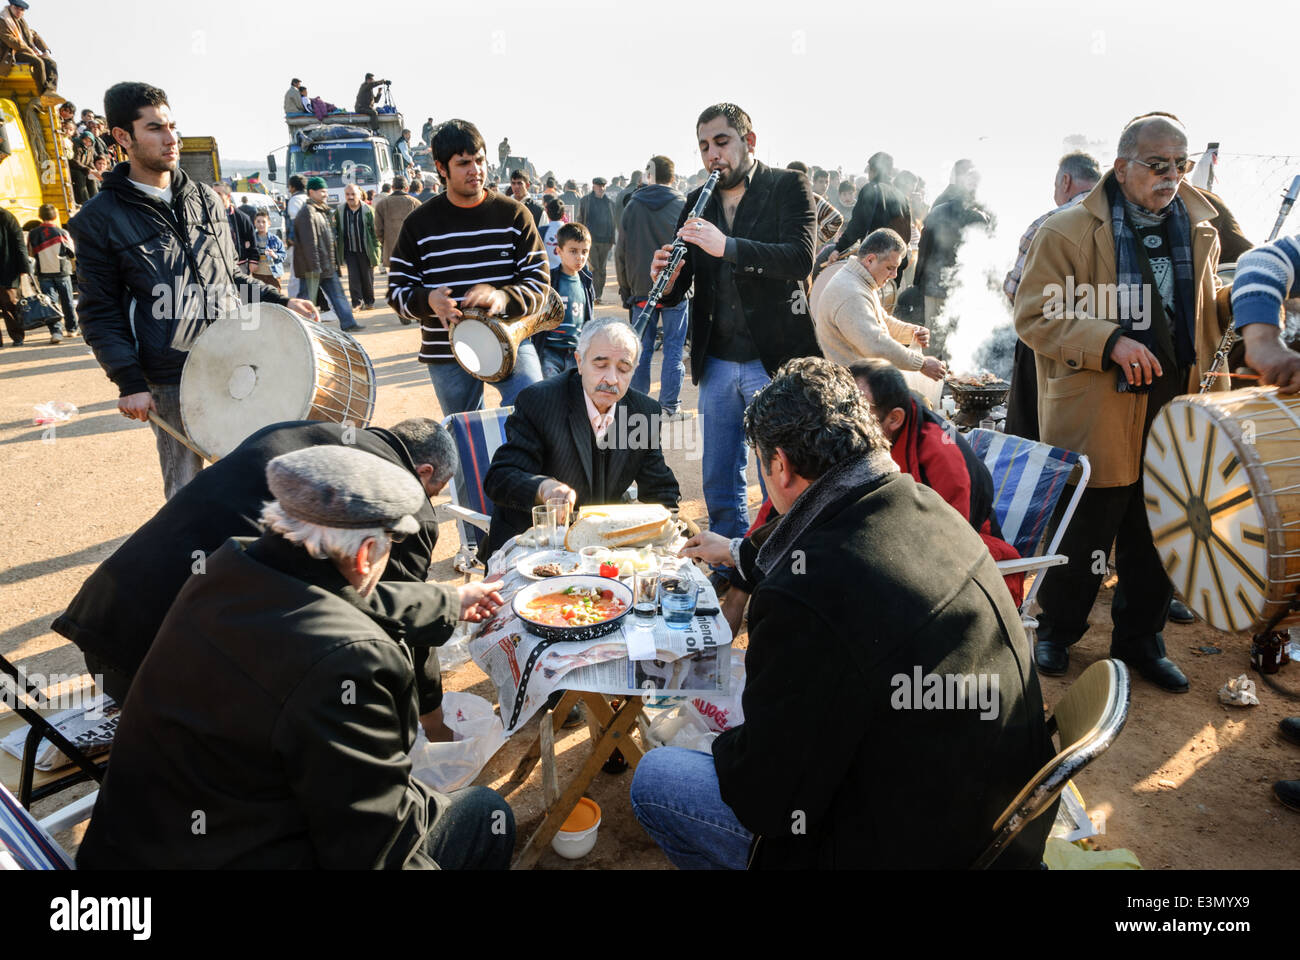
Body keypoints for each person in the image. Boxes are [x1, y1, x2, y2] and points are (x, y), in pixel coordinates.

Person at [631, 358, 1056, 869]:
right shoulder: (927, 502)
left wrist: (732, 744)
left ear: (781, 466)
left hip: (911, 847)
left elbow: (765, 797)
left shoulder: (803, 596)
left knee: (656, 779)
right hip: (1003, 829)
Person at [74, 445, 514, 870]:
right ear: (366, 554)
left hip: (138, 846)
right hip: (250, 850)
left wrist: (447, 601)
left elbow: (326, 598)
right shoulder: (350, 662)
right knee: (483, 815)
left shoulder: (229, 567)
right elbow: (374, 851)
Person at [1013, 113, 1231, 693]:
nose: (1172, 177)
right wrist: (1109, 341)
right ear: (1121, 165)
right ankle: (1057, 631)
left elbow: (1203, 308)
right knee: (1086, 526)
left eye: (1180, 166)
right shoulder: (1066, 232)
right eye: (1158, 165)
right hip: (1099, 399)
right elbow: (1034, 315)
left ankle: (1141, 640)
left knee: (1160, 527)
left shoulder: (1200, 226)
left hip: (1175, 399)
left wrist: (1242, 303)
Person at [54, 416, 456, 705]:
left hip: (102, 620)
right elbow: (404, 617)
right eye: (434, 492)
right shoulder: (400, 503)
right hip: (168, 669)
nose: (428, 505)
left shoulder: (294, 429)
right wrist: (431, 713)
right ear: (423, 472)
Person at [69, 82, 316, 499]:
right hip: (169, 375)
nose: (171, 139)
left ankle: (248, 562)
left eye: (172, 126)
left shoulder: (204, 198)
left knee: (258, 472)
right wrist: (129, 381)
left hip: (237, 357)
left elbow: (228, 278)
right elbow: (99, 311)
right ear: (122, 137)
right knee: (187, 493)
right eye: (155, 129)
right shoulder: (98, 219)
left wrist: (281, 300)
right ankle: (191, 564)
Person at [651, 102, 821, 550]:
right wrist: (663, 279)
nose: (713, 155)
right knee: (719, 474)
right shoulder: (695, 202)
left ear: (750, 141)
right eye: (704, 146)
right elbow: (682, 284)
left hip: (776, 361)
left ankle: (781, 560)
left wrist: (727, 246)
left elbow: (800, 258)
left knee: (780, 472)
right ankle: (730, 560)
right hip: (719, 360)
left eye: (721, 142)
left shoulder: (788, 186)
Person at [386, 118, 549, 414]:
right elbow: (397, 291)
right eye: (463, 163)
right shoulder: (418, 224)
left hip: (511, 339)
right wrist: (428, 301)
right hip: (446, 349)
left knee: (534, 414)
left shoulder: (515, 215)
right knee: (466, 437)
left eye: (480, 160)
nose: (475, 170)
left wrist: (503, 298)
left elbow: (539, 284)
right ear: (441, 168)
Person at [482, 318, 681, 556]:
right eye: (600, 364)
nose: (611, 379)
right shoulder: (539, 401)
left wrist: (674, 528)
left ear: (634, 370)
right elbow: (500, 478)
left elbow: (660, 488)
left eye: (623, 368)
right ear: (580, 362)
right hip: (535, 543)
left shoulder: (643, 412)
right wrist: (544, 488)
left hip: (603, 547)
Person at [852, 358, 1023, 605]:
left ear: (894, 419)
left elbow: (949, 544)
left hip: (966, 561)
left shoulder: (940, 455)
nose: (846, 422)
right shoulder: (865, 433)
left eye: (858, 413)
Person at [1003, 152, 1101, 441]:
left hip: (1047, 349)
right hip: (1104, 351)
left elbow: (1016, 292)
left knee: (1032, 440)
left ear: (1066, 181)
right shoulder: (1118, 221)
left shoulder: (1050, 223)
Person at [813, 227, 945, 379]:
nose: (894, 275)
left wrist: (911, 332)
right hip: (857, 387)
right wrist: (921, 363)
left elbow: (883, 322)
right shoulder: (851, 293)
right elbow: (876, 345)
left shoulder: (861, 280)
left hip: (868, 380)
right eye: (890, 268)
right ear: (870, 260)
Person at [618, 154, 690, 419]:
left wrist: (626, 289)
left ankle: (639, 408)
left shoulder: (631, 206)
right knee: (673, 348)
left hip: (640, 289)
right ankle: (669, 406)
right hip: (676, 289)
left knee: (641, 350)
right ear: (672, 177)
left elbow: (621, 252)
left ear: (649, 176)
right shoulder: (683, 205)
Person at [913, 159, 992, 328]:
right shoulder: (981, 217)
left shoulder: (938, 207)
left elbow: (924, 247)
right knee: (956, 340)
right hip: (962, 288)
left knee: (933, 338)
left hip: (935, 284)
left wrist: (918, 281)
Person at [294, 176, 362, 332]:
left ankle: (348, 323)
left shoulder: (320, 210)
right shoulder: (307, 213)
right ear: (311, 192)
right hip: (313, 268)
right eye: (322, 191)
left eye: (325, 191)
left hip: (325, 265)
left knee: (338, 295)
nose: (325, 194)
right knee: (305, 300)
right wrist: (315, 268)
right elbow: (309, 244)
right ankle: (301, 328)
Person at [828, 152, 913, 267]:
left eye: (869, 171)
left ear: (874, 170)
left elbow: (857, 225)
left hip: (875, 262)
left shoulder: (871, 189)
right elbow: (906, 236)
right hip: (895, 264)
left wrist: (839, 248)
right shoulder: (902, 197)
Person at [533, 222, 594, 379]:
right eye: (573, 251)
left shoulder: (586, 282)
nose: (579, 257)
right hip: (550, 351)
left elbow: (588, 317)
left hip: (576, 352)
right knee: (551, 393)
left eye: (584, 251)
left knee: (575, 394)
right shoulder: (549, 281)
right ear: (559, 251)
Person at [27, 202, 75, 338]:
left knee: (49, 304)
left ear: (40, 216)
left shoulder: (32, 233)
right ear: (55, 216)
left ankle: (56, 332)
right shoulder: (62, 232)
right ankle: (71, 329)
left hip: (43, 273)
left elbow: (30, 253)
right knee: (68, 302)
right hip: (62, 271)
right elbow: (72, 252)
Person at [336, 182, 379, 310]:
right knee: (353, 277)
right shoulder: (340, 210)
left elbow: (376, 232)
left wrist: (376, 251)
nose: (350, 197)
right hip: (350, 250)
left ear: (359, 194)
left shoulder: (368, 211)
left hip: (366, 249)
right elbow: (336, 229)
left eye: (353, 194)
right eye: (347, 194)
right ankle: (357, 303)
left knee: (367, 277)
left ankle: (369, 301)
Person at [0, 0, 57, 97]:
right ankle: (43, 95)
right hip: (11, 54)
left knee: (51, 63)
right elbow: (11, 41)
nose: (19, 11)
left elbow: (32, 34)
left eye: (22, 10)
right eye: (16, 8)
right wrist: (30, 51)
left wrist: (45, 50)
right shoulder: (3, 20)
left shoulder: (21, 22)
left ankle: (50, 91)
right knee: (38, 62)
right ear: (10, 7)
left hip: (25, 52)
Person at [577, 177, 617, 303]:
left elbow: (613, 223)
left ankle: (598, 295)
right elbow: (580, 219)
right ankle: (594, 294)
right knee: (594, 267)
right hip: (590, 240)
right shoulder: (585, 201)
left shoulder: (610, 203)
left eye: (603, 186)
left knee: (602, 269)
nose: (601, 188)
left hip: (606, 241)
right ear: (593, 186)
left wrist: (612, 239)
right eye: (599, 186)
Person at [373, 174, 421, 271]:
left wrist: (386, 243)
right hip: (412, 252)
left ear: (392, 188)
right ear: (407, 188)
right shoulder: (416, 203)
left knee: (395, 282)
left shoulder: (382, 204)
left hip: (392, 251)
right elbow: (422, 229)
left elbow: (378, 230)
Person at [0, 203, 30, 347]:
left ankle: (17, 337)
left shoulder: (5, 217)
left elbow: (18, 242)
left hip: (6, 270)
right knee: (10, 304)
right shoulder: (7, 216)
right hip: (7, 270)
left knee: (10, 304)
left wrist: (24, 266)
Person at [214, 182, 258, 274]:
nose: (214, 197)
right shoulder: (208, 217)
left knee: (243, 288)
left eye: (218, 194)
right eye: (213, 194)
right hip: (217, 266)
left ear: (228, 196)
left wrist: (253, 260)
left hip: (239, 265)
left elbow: (252, 240)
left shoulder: (242, 217)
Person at [283, 174, 307, 296]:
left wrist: (292, 241)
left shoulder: (294, 200)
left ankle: (293, 300)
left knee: (294, 276)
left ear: (292, 187)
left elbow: (294, 222)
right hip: (308, 243)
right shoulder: (308, 197)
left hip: (298, 244)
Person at [249, 210, 285, 290]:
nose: (261, 224)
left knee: (275, 299)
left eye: (264, 222)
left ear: (269, 223)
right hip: (257, 274)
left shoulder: (275, 239)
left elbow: (283, 255)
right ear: (254, 223)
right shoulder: (252, 239)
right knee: (257, 298)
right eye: (258, 221)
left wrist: (275, 255)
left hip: (273, 274)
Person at [540, 196, 567, 270]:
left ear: (547, 211)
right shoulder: (571, 230)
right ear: (563, 213)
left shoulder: (541, 231)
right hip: (565, 271)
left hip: (547, 271)